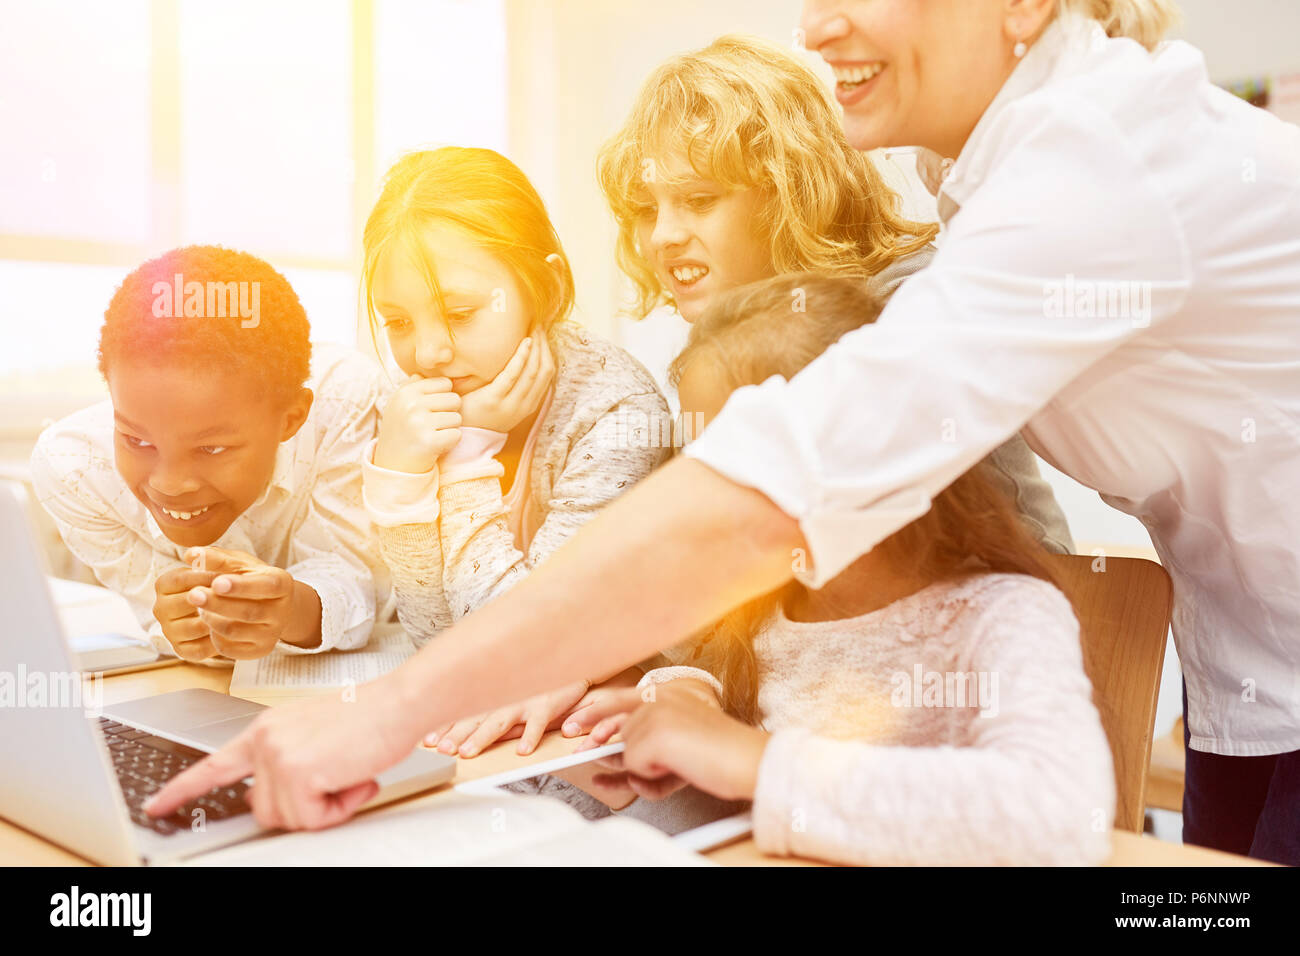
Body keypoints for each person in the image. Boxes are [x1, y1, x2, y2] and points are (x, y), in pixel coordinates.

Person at [151, 0, 1300, 868]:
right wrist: (683, 687)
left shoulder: (1090, 168)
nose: (819, 23)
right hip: (1246, 662)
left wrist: (384, 717)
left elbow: (792, 522)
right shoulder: (991, 179)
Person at [568, 274, 1113, 865]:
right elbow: (733, 679)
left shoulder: (1004, 615)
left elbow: (1057, 814)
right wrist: (689, 698)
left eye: (736, 460)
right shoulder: (774, 597)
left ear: (860, 449)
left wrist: (754, 761)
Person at [595, 34, 1073, 554]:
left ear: (787, 194)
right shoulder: (734, 339)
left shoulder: (904, 306)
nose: (662, 235)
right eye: (646, 209)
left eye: (699, 199)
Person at [359, 147, 671, 757]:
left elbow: (520, 648)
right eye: (397, 322)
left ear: (545, 287)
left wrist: (464, 460)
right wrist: (400, 474)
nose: (427, 353)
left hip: (599, 745)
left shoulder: (617, 416)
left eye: (459, 314)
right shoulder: (424, 408)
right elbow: (432, 635)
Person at [32, 245, 391, 661]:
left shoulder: (343, 402)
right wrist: (182, 626)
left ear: (292, 418)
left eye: (211, 448)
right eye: (137, 441)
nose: (169, 484)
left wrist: (290, 608)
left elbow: (357, 579)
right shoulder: (73, 470)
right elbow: (163, 616)